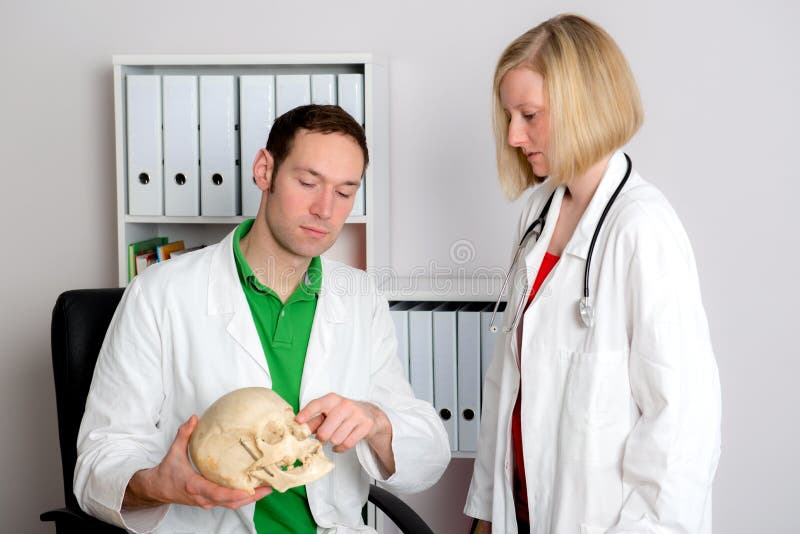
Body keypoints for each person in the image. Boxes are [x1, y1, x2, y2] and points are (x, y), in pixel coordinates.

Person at [75, 104, 450, 533]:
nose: (325, 209)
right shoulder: (161, 293)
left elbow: (427, 450)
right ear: (264, 170)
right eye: (308, 182)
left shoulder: (361, 298)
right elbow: (98, 461)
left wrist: (377, 422)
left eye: (345, 192)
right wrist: (158, 485)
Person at [465, 14, 721, 534]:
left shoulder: (641, 228)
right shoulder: (536, 214)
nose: (514, 135)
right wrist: (484, 513)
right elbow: (506, 383)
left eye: (530, 115)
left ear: (583, 104)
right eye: (509, 116)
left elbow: (682, 426)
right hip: (521, 511)